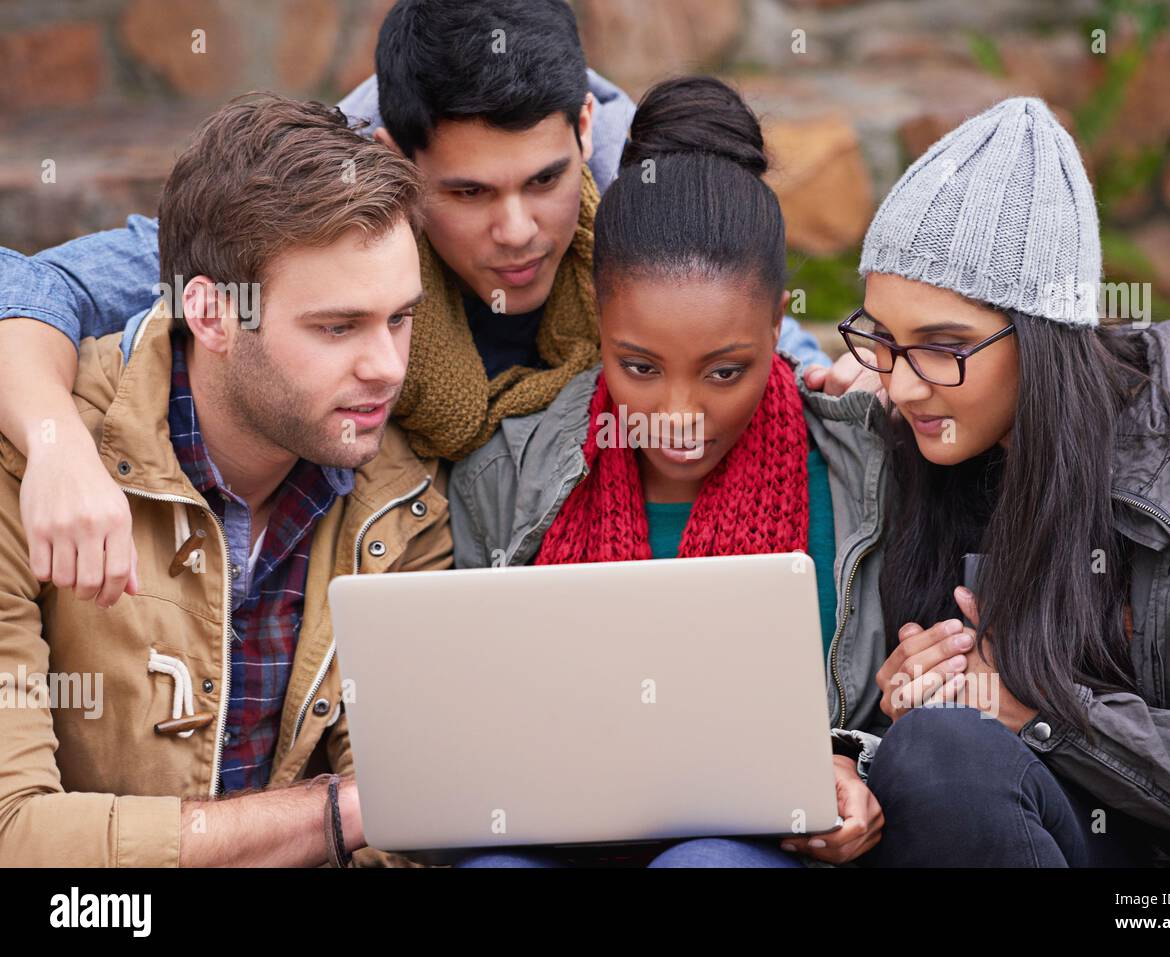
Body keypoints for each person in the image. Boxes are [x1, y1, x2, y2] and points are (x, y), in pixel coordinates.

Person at [0, 0, 836, 610]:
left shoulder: (631, 180)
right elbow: (32, 286)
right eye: (468, 192)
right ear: (393, 155)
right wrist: (54, 445)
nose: (517, 231)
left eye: (545, 181)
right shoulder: (323, 213)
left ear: (584, 128)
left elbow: (741, 312)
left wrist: (813, 368)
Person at [843, 97, 1170, 866]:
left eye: (942, 346)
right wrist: (916, 704)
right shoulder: (936, 450)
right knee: (936, 752)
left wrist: (1046, 714)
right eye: (881, 339)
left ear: (1046, 338)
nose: (903, 385)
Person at [0, 93, 453, 867]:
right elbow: (16, 835)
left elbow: (411, 838)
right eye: (337, 327)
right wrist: (339, 812)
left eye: (400, 318)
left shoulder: (401, 503)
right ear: (209, 314)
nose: (387, 368)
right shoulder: (34, 459)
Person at [448, 76, 889, 868]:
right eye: (640, 366)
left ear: (779, 322)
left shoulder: (865, 474)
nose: (681, 414)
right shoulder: (504, 476)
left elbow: (909, 711)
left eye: (726, 371)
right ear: (599, 309)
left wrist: (857, 773)